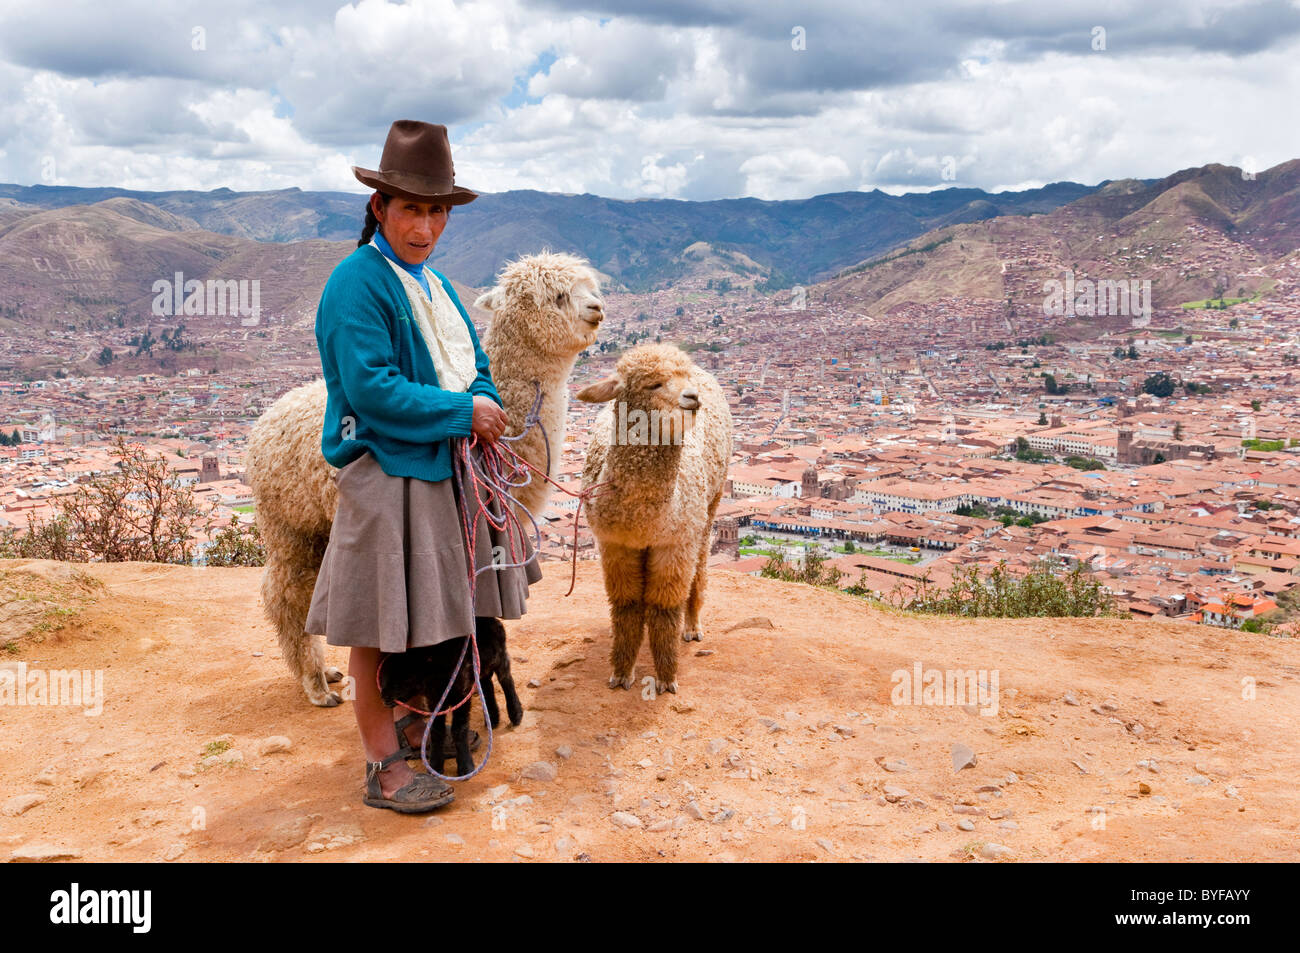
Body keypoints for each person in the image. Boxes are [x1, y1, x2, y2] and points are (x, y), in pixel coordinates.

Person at [304, 120, 542, 813]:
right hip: (385, 476)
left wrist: (485, 400)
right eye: (412, 207)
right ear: (380, 207)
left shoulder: (434, 287)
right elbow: (373, 387)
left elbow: (477, 366)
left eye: (436, 210)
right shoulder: (358, 285)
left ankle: (412, 723)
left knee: (427, 615)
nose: (426, 224)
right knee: (378, 624)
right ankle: (383, 766)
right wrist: (461, 414)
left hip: (440, 476)